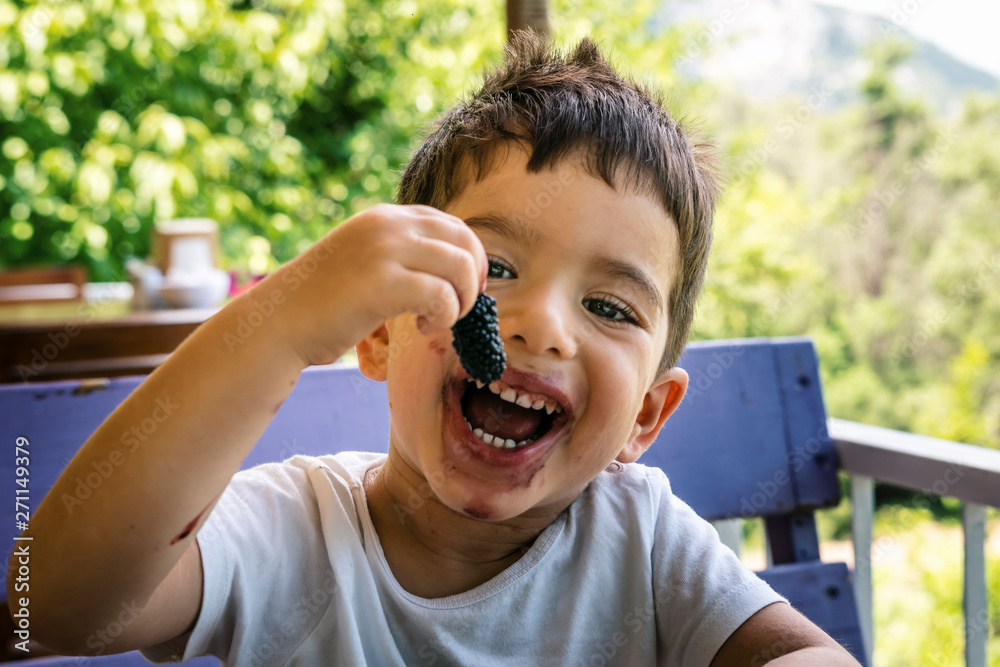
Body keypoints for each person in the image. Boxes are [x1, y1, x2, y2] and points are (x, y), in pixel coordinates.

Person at [16, 33, 860, 666]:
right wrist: (276, 327)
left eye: (607, 305)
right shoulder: (291, 534)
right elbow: (49, 604)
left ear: (644, 415)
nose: (541, 325)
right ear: (380, 331)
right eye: (491, 268)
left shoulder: (641, 543)